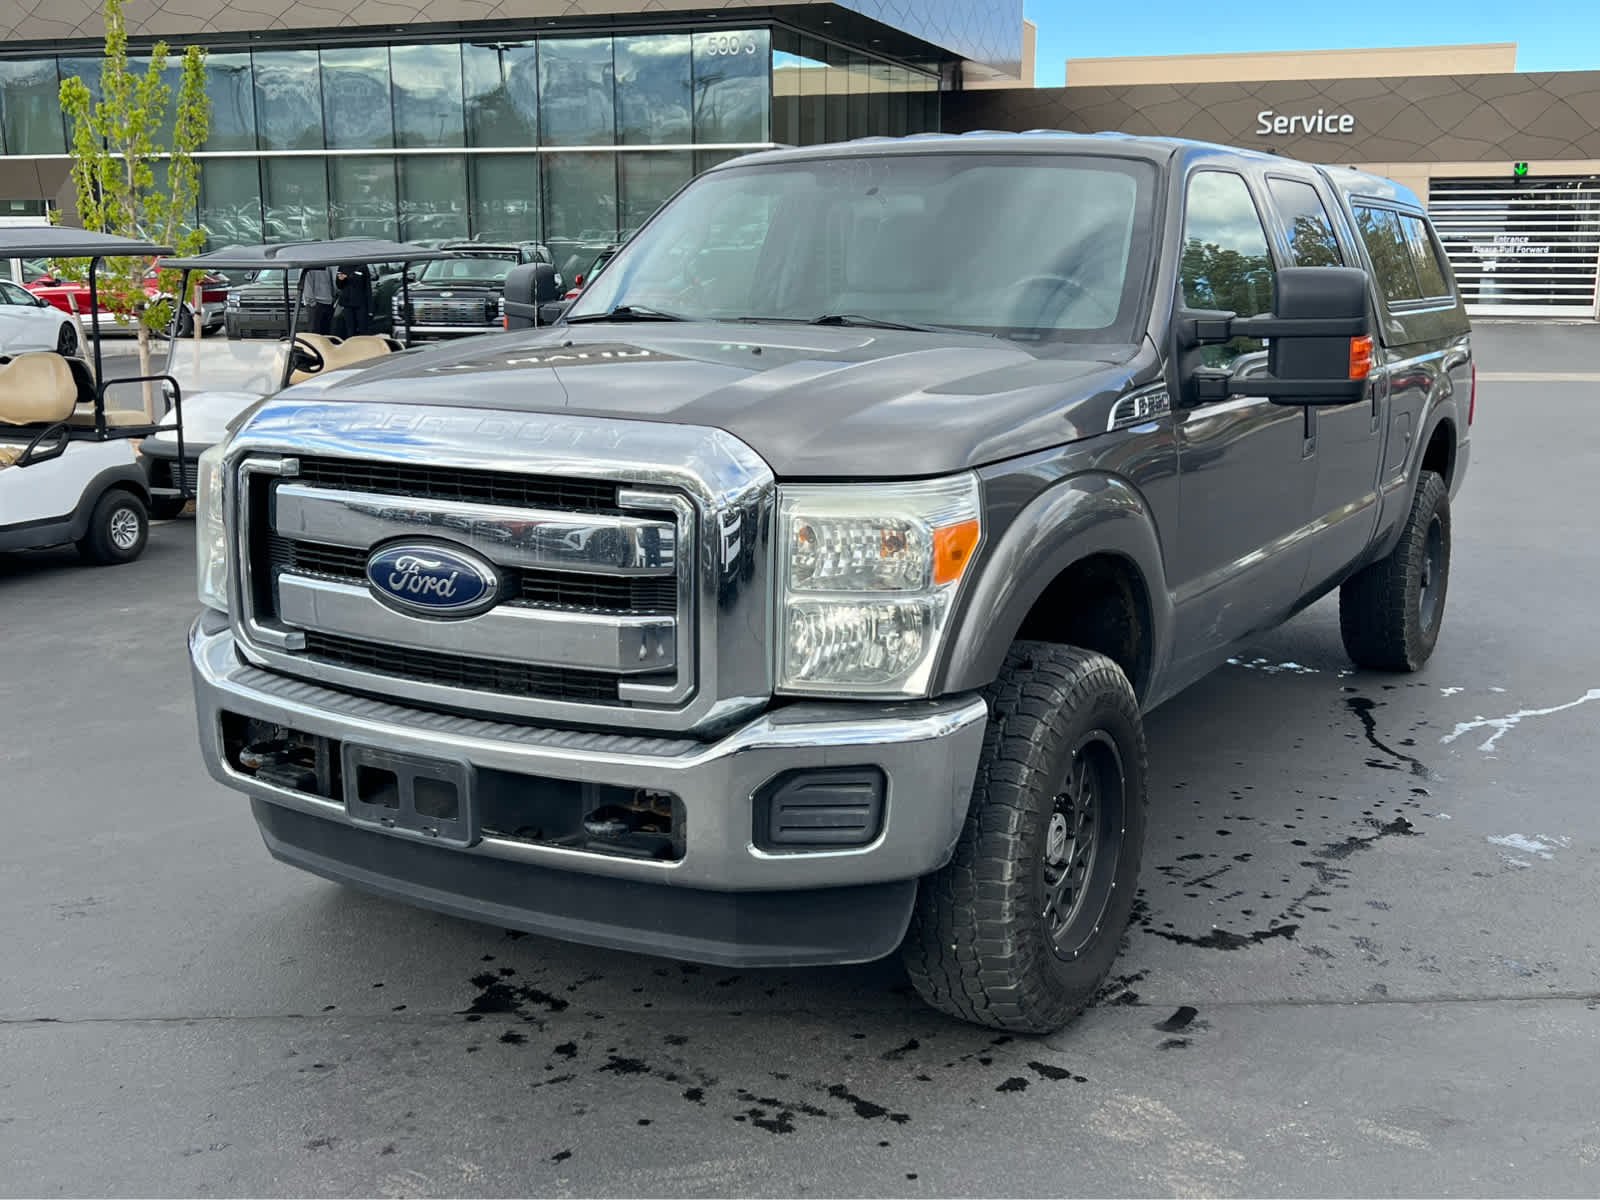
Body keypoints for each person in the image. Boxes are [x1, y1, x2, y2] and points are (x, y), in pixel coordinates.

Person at [334, 262, 372, 337]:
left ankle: (364, 347)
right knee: (350, 330)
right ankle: (351, 347)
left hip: (361, 304)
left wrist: (370, 309)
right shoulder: (342, 266)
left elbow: (368, 288)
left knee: (363, 330)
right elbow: (339, 285)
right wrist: (341, 280)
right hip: (347, 303)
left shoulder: (363, 266)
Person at [297, 265, 335, 334]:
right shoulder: (306, 265)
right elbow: (306, 285)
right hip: (315, 304)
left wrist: (332, 298)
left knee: (327, 332)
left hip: (328, 303)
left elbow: (330, 282)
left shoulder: (327, 264)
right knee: (314, 331)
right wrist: (312, 302)